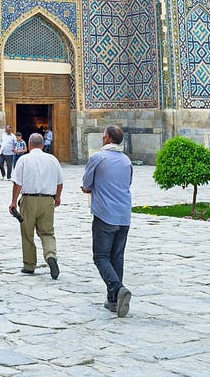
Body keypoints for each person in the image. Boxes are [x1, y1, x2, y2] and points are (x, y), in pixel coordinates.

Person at [81, 125, 133, 317]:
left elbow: (87, 184)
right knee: (117, 257)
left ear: (108, 138)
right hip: (124, 215)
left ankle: (118, 289)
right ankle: (113, 301)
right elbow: (127, 183)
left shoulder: (97, 158)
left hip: (105, 215)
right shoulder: (127, 161)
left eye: (104, 136)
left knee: (101, 257)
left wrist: (90, 188)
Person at [9, 132, 63, 278]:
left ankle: (29, 265)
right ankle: (51, 255)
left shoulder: (24, 159)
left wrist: (14, 201)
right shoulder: (53, 159)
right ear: (43, 144)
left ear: (29, 144)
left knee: (27, 233)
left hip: (29, 200)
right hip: (47, 201)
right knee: (47, 232)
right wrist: (57, 198)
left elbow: (17, 182)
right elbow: (60, 182)